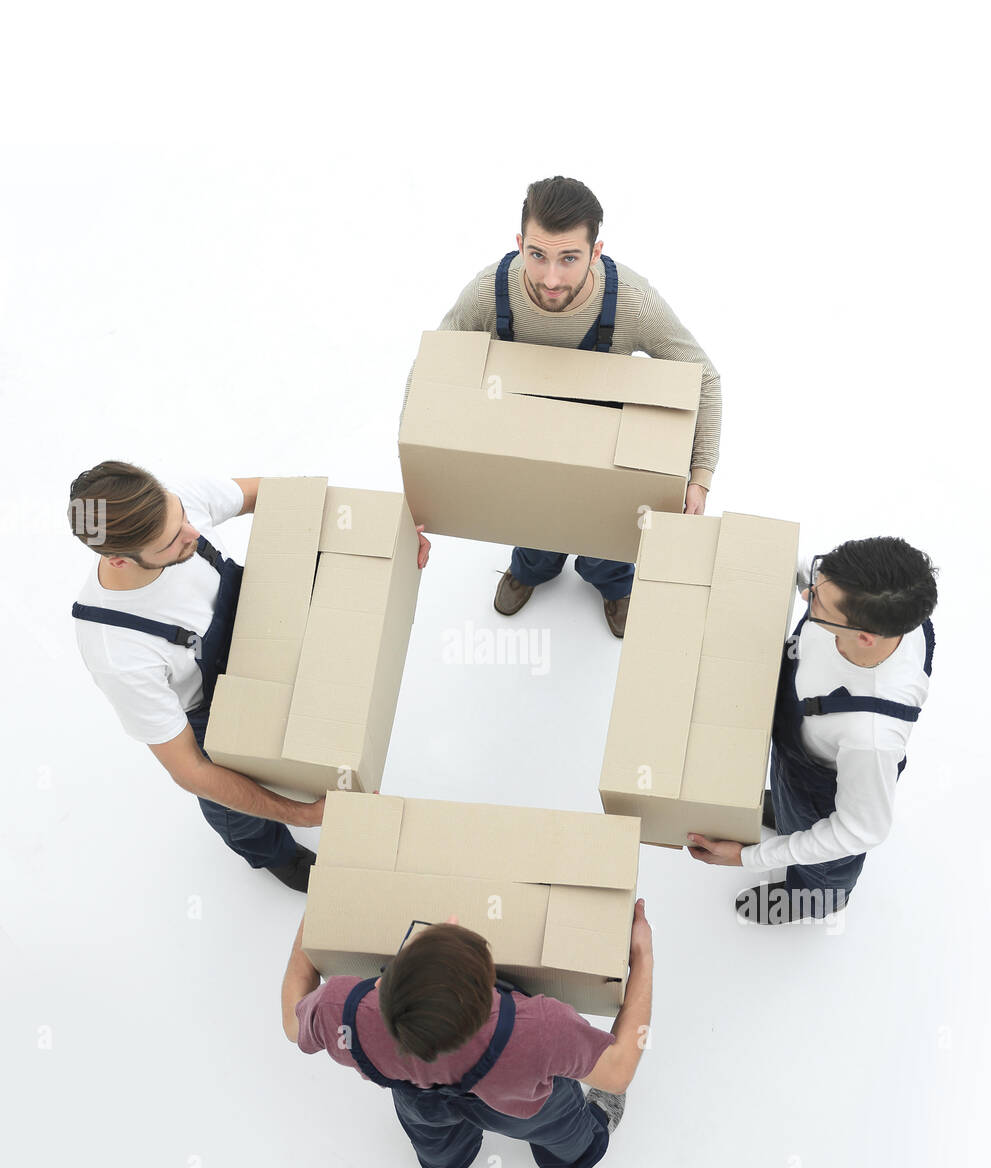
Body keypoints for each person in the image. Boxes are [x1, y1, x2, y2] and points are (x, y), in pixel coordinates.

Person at [68, 462, 431, 892]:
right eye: (172, 541)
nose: (192, 532)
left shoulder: (172, 501)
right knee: (241, 818)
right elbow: (191, 770)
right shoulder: (118, 650)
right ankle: (275, 855)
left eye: (183, 515)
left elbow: (285, 499)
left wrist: (390, 534)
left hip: (269, 631)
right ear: (118, 560)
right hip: (212, 713)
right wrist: (303, 815)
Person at [402, 175, 721, 637]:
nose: (551, 278)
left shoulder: (632, 301)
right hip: (527, 445)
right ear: (520, 244)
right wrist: (417, 486)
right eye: (537, 255)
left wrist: (700, 476)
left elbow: (705, 377)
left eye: (569, 258)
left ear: (596, 252)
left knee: (609, 543)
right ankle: (532, 569)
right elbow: (429, 371)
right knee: (533, 529)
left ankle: (613, 585)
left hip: (606, 454)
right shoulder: (490, 292)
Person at [282, 902, 654, 1168]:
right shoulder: (539, 1029)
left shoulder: (343, 1010)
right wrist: (642, 958)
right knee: (561, 1127)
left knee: (434, 1140)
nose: (453, 921)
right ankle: (571, 1159)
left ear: (383, 985)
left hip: (417, 1098)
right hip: (519, 1099)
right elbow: (618, 1072)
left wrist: (311, 924)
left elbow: (290, 1022)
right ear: (491, 995)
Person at [686, 537, 938, 925]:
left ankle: (813, 902)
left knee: (822, 873)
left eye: (817, 599)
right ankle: (787, 814)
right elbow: (808, 574)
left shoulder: (870, 737)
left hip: (821, 792)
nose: (807, 592)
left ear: (865, 637)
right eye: (817, 579)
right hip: (797, 751)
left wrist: (747, 858)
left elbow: (859, 831)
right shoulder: (873, 600)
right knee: (787, 805)